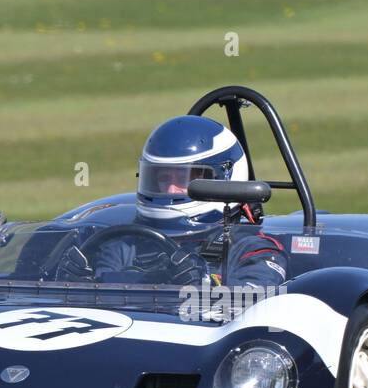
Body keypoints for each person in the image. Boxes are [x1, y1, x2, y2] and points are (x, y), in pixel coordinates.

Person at [93, 115, 288, 288]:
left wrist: (204, 286)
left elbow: (256, 299)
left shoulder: (253, 250)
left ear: (223, 178)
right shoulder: (126, 245)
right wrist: (76, 280)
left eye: (182, 179)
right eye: (163, 178)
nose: (170, 190)